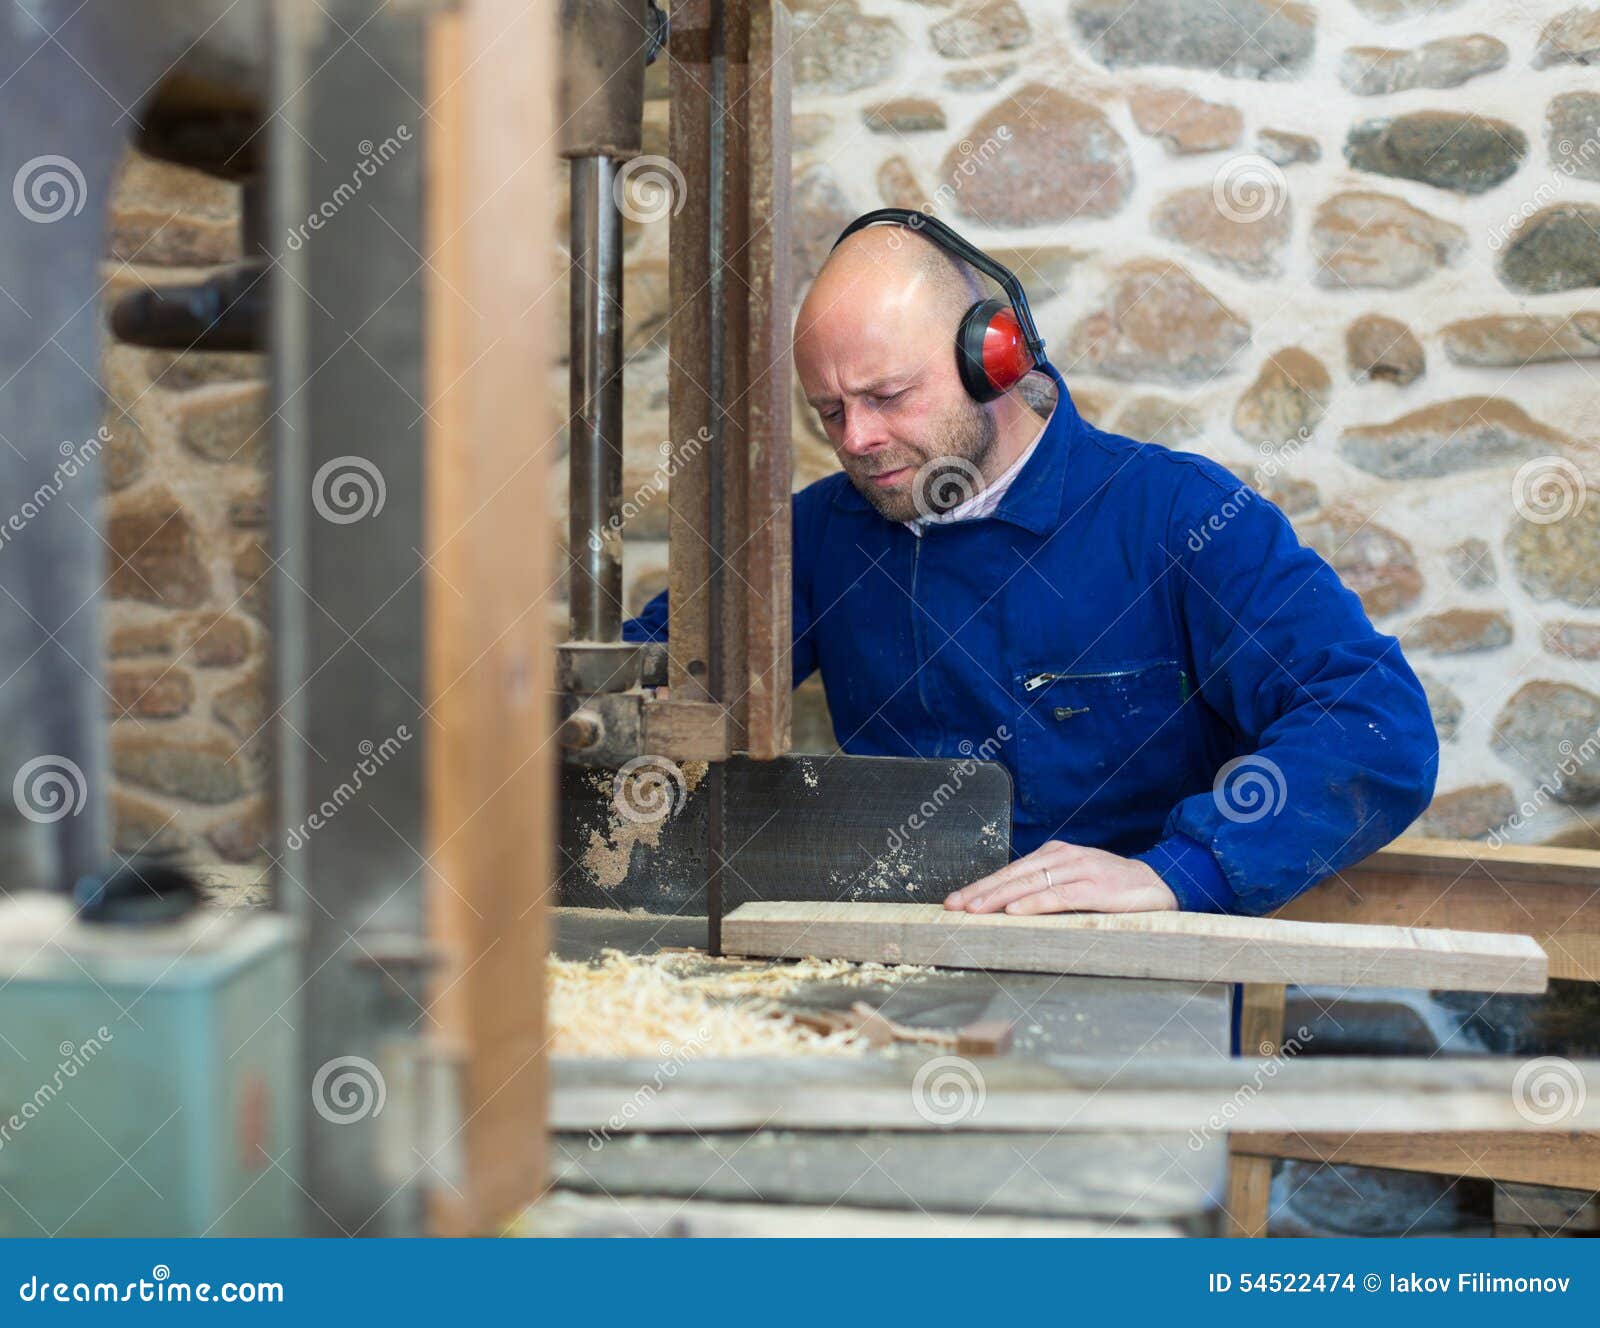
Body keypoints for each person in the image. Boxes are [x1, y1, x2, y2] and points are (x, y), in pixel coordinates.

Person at [623, 214, 1438, 917]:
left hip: (1130, 978)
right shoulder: (819, 535)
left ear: (997, 359)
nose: (857, 440)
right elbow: (661, 663)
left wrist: (1180, 871)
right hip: (890, 962)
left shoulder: (1178, 519)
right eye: (831, 411)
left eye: (889, 396)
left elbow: (1375, 724)